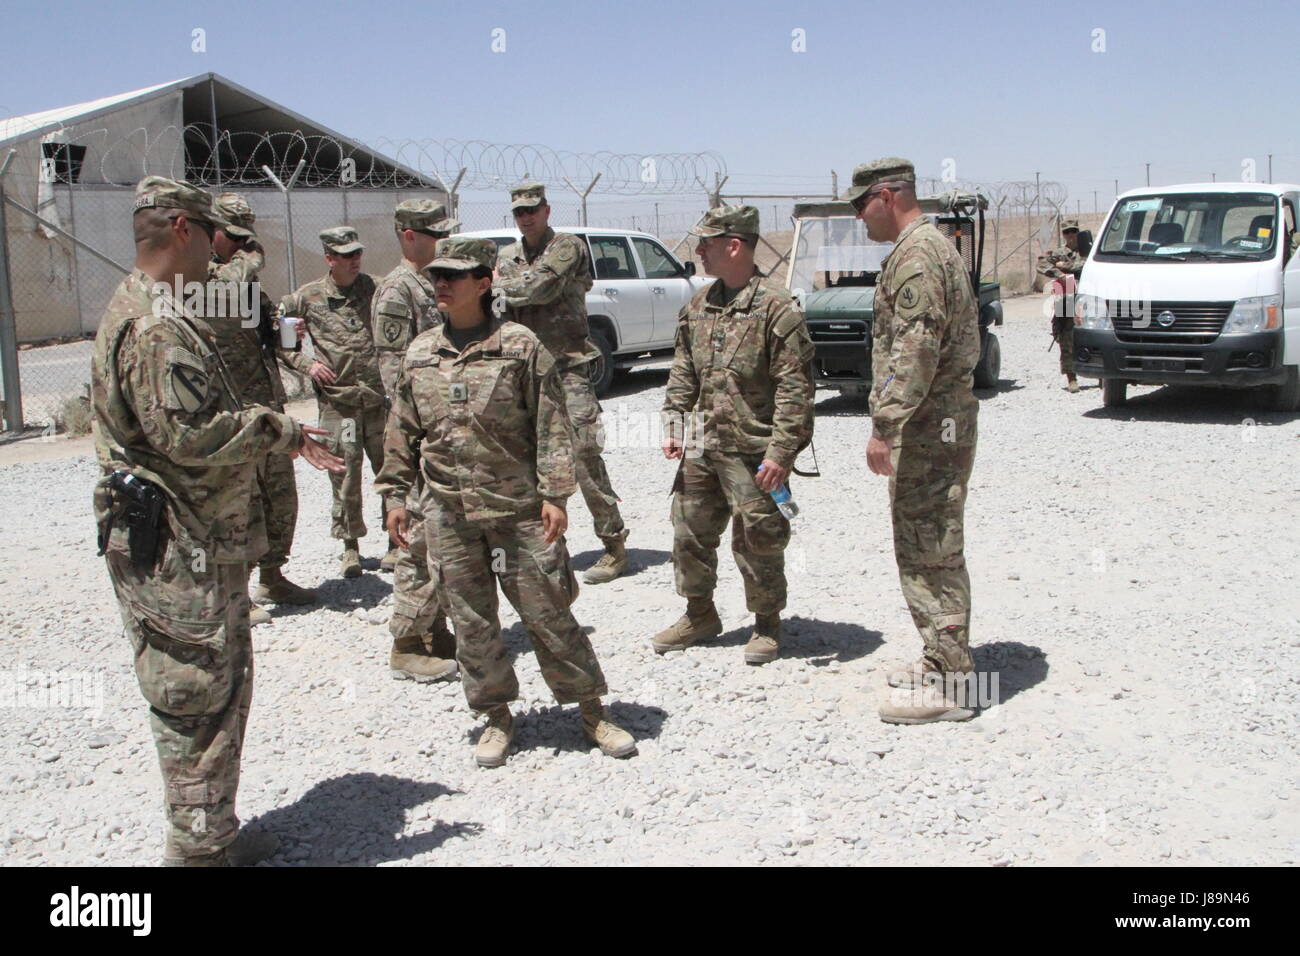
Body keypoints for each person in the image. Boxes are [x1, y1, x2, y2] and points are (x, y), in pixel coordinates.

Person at [91, 176, 343, 865]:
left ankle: (210, 834)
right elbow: (188, 436)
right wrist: (279, 430)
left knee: (215, 686)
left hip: (192, 541)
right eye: (212, 236)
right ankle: (198, 853)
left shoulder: (156, 306)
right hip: (178, 549)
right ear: (181, 230)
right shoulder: (154, 326)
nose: (221, 252)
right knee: (197, 696)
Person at [376, 236, 635, 768]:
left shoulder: (520, 345)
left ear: (485, 281)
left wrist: (556, 495)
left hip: (516, 509)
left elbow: (552, 424)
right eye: (437, 275)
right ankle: (495, 716)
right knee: (471, 624)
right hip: (449, 511)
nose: (442, 283)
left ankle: (592, 711)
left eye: (455, 275)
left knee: (548, 613)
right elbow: (402, 428)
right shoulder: (421, 352)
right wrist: (395, 494)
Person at [654, 205, 815, 665]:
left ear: (735, 245)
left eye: (706, 243)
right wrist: (674, 423)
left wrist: (782, 452)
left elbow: (795, 387)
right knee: (689, 532)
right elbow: (683, 369)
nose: (698, 251)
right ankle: (699, 614)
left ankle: (766, 623)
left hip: (754, 449)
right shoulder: (698, 305)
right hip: (703, 444)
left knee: (758, 537)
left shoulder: (775, 308)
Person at [849, 157, 980, 724]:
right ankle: (940, 655)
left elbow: (915, 351)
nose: (859, 219)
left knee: (931, 549)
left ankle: (956, 685)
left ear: (886, 194)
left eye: (861, 205)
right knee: (927, 541)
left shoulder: (918, 255)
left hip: (929, 427)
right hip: (935, 423)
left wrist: (884, 424)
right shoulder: (922, 248)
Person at [495, 182, 629, 585]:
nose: (526, 217)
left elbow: (538, 288)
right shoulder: (507, 255)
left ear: (547, 210)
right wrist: (506, 289)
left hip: (568, 365)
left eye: (532, 209)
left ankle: (613, 544)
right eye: (519, 212)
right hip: (525, 369)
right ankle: (548, 545)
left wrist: (501, 286)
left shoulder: (568, 246)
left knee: (584, 454)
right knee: (531, 457)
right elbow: (503, 305)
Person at [208, 192, 316, 617]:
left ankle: (273, 576)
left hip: (268, 406)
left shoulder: (246, 282)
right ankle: (237, 591)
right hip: (232, 412)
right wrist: (248, 260)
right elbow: (224, 296)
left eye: (245, 238)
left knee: (279, 495)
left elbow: (273, 334)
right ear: (212, 232)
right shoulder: (202, 278)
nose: (242, 246)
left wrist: (291, 335)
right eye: (232, 237)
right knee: (240, 501)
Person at [372, 199, 459, 681]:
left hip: (442, 431)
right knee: (418, 540)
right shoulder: (396, 289)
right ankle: (406, 643)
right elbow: (392, 372)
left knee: (442, 537)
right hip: (420, 433)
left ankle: (435, 630)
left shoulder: (437, 280)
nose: (442, 242)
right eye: (433, 234)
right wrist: (420, 431)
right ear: (409, 235)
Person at [279, 227, 393, 578]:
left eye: (357, 253)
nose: (354, 260)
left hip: (376, 401)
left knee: (391, 472)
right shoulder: (305, 298)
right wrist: (307, 364)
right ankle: (350, 548)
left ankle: (396, 543)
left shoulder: (378, 289)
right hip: (339, 405)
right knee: (344, 474)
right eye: (345, 255)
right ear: (329, 258)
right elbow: (282, 342)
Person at [1037, 218, 1086, 393]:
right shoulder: (1058, 252)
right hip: (1065, 294)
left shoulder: (1088, 250)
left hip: (1086, 295)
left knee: (1092, 333)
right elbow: (1042, 264)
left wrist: (1066, 266)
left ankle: (1102, 376)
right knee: (1066, 336)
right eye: (1067, 232)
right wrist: (1060, 273)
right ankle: (1071, 377)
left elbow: (1087, 265)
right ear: (1063, 234)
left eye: (1074, 231)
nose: (1071, 235)